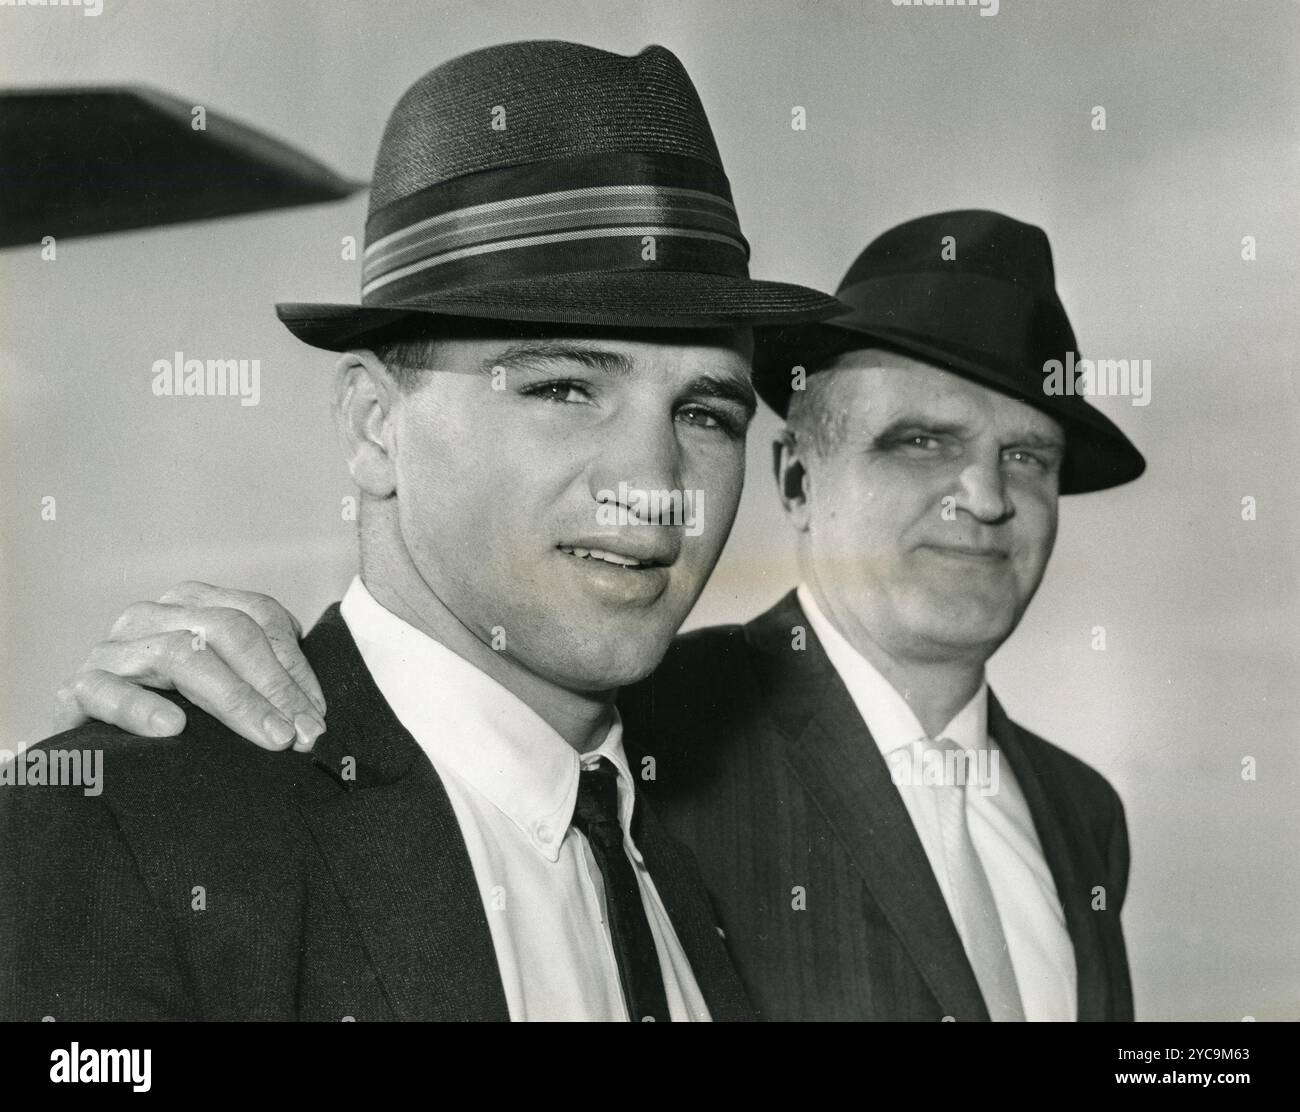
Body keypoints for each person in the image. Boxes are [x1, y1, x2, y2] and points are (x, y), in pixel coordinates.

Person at [49, 211, 1145, 1020]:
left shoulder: (1079, 807)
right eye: (920, 442)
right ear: (798, 481)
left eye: (1028, 458)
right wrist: (188, 672)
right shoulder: (670, 717)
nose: (985, 498)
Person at [0, 40, 843, 1022]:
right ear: (374, 425)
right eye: (563, 386)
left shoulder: (731, 837)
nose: (652, 484)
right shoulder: (120, 832)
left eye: (705, 413)